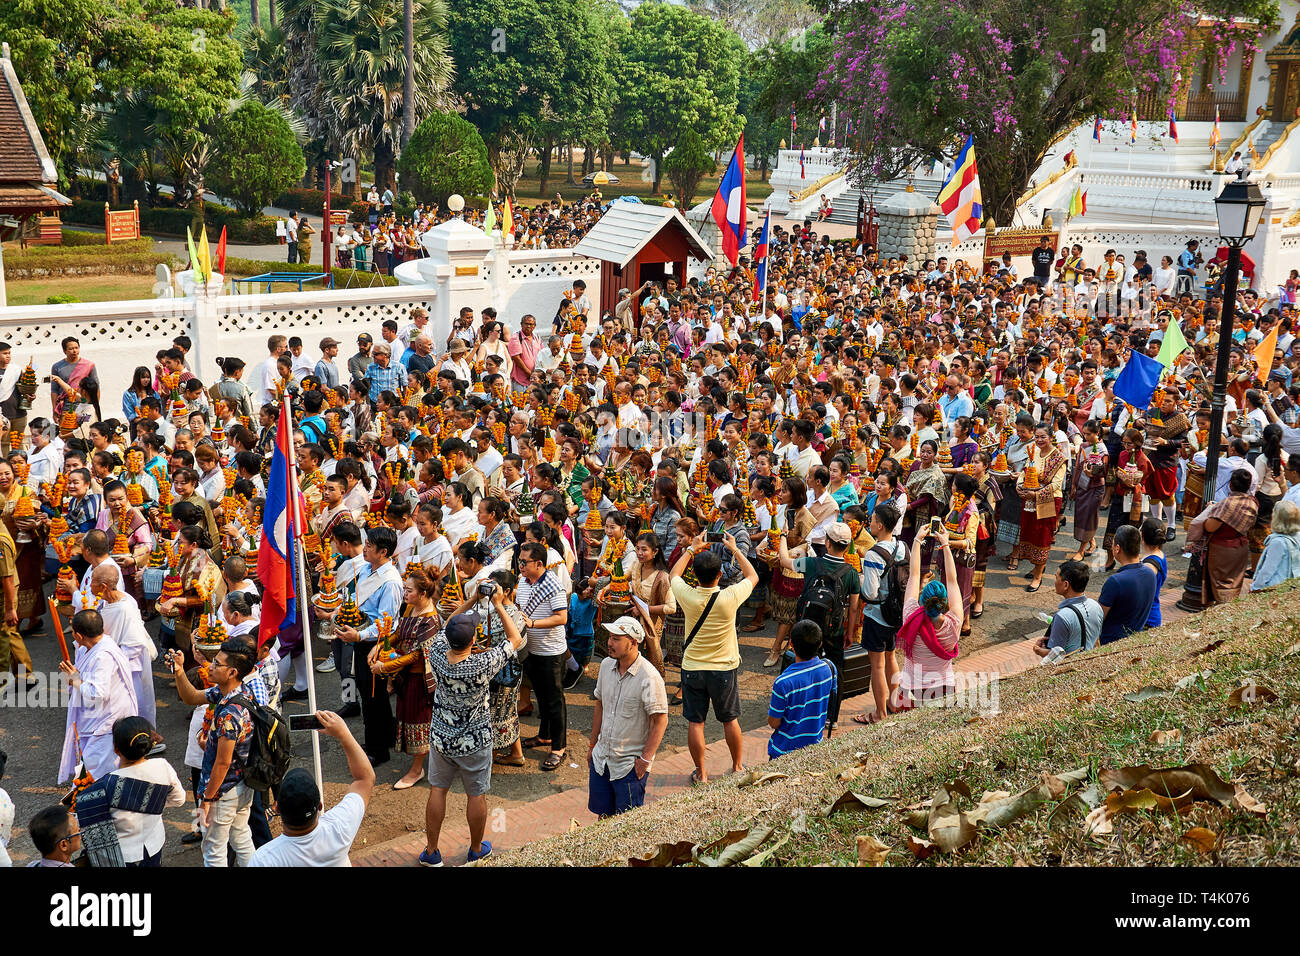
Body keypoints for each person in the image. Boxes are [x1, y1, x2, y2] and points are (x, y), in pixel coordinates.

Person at [419, 602, 526, 867]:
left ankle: (431, 852)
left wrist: (470, 600)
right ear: (473, 639)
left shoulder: (437, 652)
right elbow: (515, 638)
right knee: (476, 794)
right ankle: (476, 849)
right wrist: (499, 604)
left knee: (438, 790)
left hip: (442, 737)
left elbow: (447, 626)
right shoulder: (482, 663)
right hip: (475, 740)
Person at [671, 531, 758, 785]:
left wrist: (691, 549)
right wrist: (736, 549)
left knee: (696, 722)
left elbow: (674, 575)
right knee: (730, 719)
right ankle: (738, 766)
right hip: (723, 668)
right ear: (720, 575)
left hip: (693, 668)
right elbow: (753, 576)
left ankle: (702, 773)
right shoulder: (729, 597)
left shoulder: (687, 595)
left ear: (695, 575)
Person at [166, 638, 258, 867]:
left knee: (213, 850)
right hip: (241, 787)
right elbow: (192, 697)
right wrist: (179, 672)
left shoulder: (229, 714)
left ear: (232, 672)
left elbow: (222, 763)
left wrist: (207, 799)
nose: (212, 667)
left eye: (217, 664)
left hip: (222, 791)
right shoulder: (236, 692)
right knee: (242, 839)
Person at [250, 711, 374, 866]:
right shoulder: (338, 829)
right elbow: (365, 779)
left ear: (278, 810)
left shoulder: (264, 859)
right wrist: (344, 734)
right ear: (320, 806)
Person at [73, 716, 186, 867]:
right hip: (154, 845)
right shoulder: (163, 766)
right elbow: (179, 800)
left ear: (116, 749)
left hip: (122, 855)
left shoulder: (105, 786)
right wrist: (151, 801)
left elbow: (82, 822)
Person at [333, 525, 404, 765]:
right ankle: (385, 737)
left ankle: (377, 750)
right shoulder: (366, 570)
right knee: (369, 695)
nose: (365, 549)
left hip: (376, 645)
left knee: (374, 697)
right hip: (359, 638)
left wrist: (360, 637)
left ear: (383, 552)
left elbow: (388, 624)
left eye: (370, 546)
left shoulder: (391, 583)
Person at [587, 615, 668, 817]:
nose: (609, 643)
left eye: (616, 638)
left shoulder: (649, 677)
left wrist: (645, 760)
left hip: (629, 766)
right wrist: (592, 745)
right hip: (602, 760)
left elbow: (660, 720)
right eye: (610, 637)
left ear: (633, 643)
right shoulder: (606, 666)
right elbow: (600, 705)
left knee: (626, 823)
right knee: (603, 818)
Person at [58, 608, 138, 784]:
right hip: (99, 716)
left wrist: (76, 680)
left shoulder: (103, 655)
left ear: (79, 636)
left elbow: (99, 694)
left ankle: (85, 805)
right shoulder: (91, 647)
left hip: (107, 719)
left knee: (96, 769)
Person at [516, 540, 570, 771]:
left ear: (539, 563)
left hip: (551, 652)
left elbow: (561, 618)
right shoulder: (523, 581)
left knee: (554, 700)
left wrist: (533, 623)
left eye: (524, 562)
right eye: (519, 562)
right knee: (542, 697)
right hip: (532, 649)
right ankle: (544, 736)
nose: (520, 566)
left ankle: (558, 748)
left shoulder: (553, 585)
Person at [895, 525, 962, 707]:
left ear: (923, 601)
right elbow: (952, 580)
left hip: (916, 688)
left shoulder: (910, 617)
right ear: (944, 603)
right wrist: (945, 545)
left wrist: (917, 541)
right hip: (945, 686)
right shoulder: (954, 622)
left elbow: (914, 575)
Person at [1187, 468, 1259, 607]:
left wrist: (1210, 510)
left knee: (1222, 586)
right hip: (1241, 549)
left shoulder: (1228, 503)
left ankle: (1223, 612)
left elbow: (1210, 527)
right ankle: (1229, 611)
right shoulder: (1253, 502)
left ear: (1230, 484)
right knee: (1234, 585)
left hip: (1222, 550)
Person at [767, 620, 837, 758]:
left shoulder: (783, 682)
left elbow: (774, 722)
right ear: (820, 644)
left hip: (783, 751)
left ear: (791, 644)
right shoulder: (829, 668)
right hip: (814, 747)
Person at [1097, 525, 1158, 645]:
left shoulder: (1116, 581)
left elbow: (1098, 618)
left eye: (1113, 543)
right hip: (1135, 639)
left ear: (1117, 548)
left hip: (1111, 642)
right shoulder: (1150, 573)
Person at [1031, 560, 1103, 659]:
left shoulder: (1062, 616)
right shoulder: (1096, 606)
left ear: (1066, 585)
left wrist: (1038, 650)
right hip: (1090, 660)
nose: (1055, 581)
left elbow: (1056, 655)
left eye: (1056, 577)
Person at [1248, 499, 1300, 591]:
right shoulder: (1297, 535)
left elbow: (1267, 570)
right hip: (1292, 584)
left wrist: (1255, 587)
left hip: (1277, 586)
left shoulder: (1278, 542)